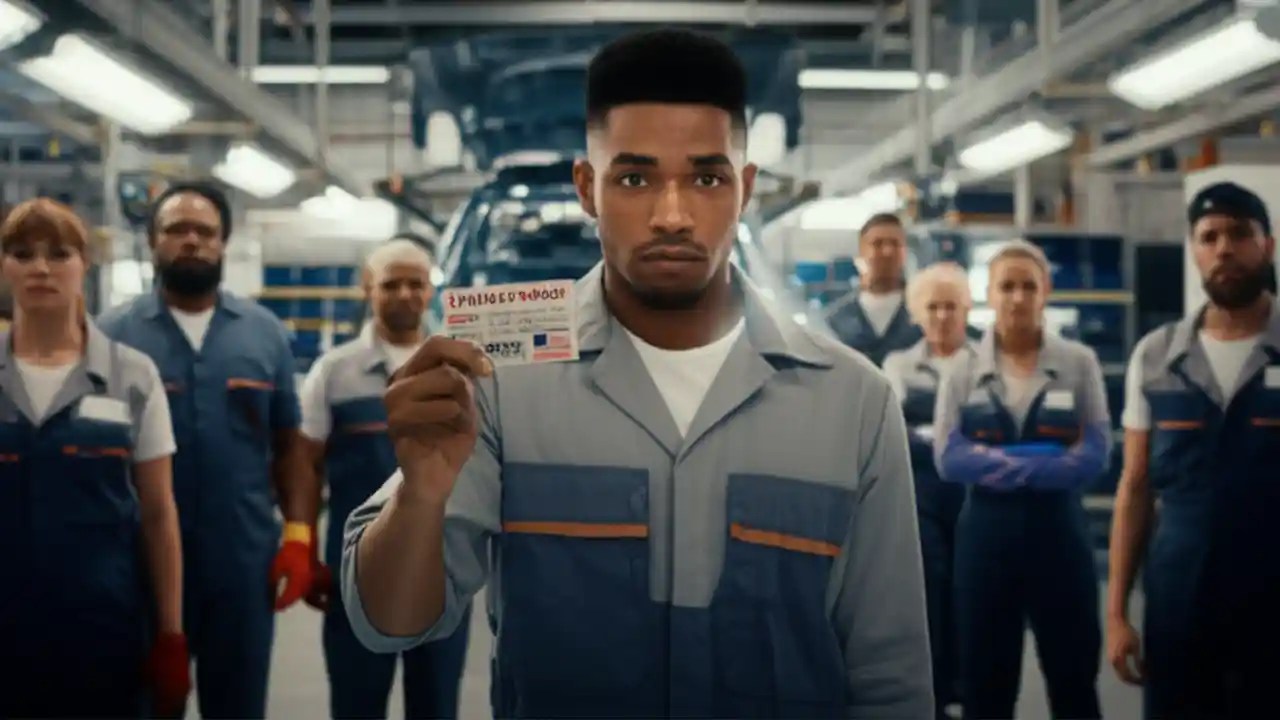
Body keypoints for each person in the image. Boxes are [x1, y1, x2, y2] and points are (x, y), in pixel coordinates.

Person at [341, 29, 933, 719]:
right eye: (634, 178)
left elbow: (891, 677)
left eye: (706, 179)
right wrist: (420, 497)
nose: (671, 216)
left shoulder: (853, 404)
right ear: (587, 189)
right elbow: (390, 623)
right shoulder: (499, 385)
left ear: (744, 190)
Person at [98, 182, 317, 719]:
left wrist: (298, 535)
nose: (191, 241)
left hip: (241, 564)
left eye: (204, 231)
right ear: (153, 241)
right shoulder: (111, 338)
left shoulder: (264, 334)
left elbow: (289, 444)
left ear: (223, 243)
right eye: (176, 230)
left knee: (238, 707)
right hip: (139, 568)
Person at [0, 198, 188, 717]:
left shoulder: (132, 375)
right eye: (22, 253)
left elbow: (158, 513)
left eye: (59, 253)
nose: (40, 267)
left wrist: (171, 634)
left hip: (105, 629)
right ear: (4, 265)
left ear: (85, 263)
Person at [1108, 182, 1279, 719]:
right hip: (1180, 593)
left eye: (1239, 234)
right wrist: (1116, 613)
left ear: (1268, 245)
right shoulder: (1156, 356)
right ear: (1194, 251)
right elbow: (1135, 486)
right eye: (1209, 237)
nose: (1224, 248)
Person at [933, 240, 1110, 720]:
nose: (1017, 297)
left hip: (1060, 536)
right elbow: (949, 457)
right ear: (989, 293)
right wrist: (1042, 462)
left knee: (1075, 682)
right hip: (986, 540)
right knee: (985, 690)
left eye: (1028, 286)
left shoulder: (1078, 363)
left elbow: (1095, 453)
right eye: (1006, 286)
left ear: (1045, 290)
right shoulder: (963, 368)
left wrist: (998, 463)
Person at [299, 239, 470, 719]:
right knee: (357, 702)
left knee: (436, 704)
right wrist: (303, 545)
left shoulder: (459, 368)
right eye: (391, 284)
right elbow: (307, 463)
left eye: (416, 283)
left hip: (443, 570)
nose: (405, 294)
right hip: (357, 570)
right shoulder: (334, 372)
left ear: (430, 290)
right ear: (367, 289)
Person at [882, 261, 975, 720]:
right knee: (929, 587)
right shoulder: (897, 365)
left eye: (950, 306)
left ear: (966, 310)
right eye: (932, 307)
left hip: (975, 493)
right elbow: (893, 431)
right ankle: (934, 695)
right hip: (920, 494)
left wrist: (930, 433)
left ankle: (971, 689)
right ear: (917, 313)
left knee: (973, 588)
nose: (941, 316)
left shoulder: (985, 362)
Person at [824, 213, 923, 366]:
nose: (887, 251)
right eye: (878, 243)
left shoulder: (924, 315)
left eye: (895, 243)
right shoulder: (837, 319)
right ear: (861, 251)